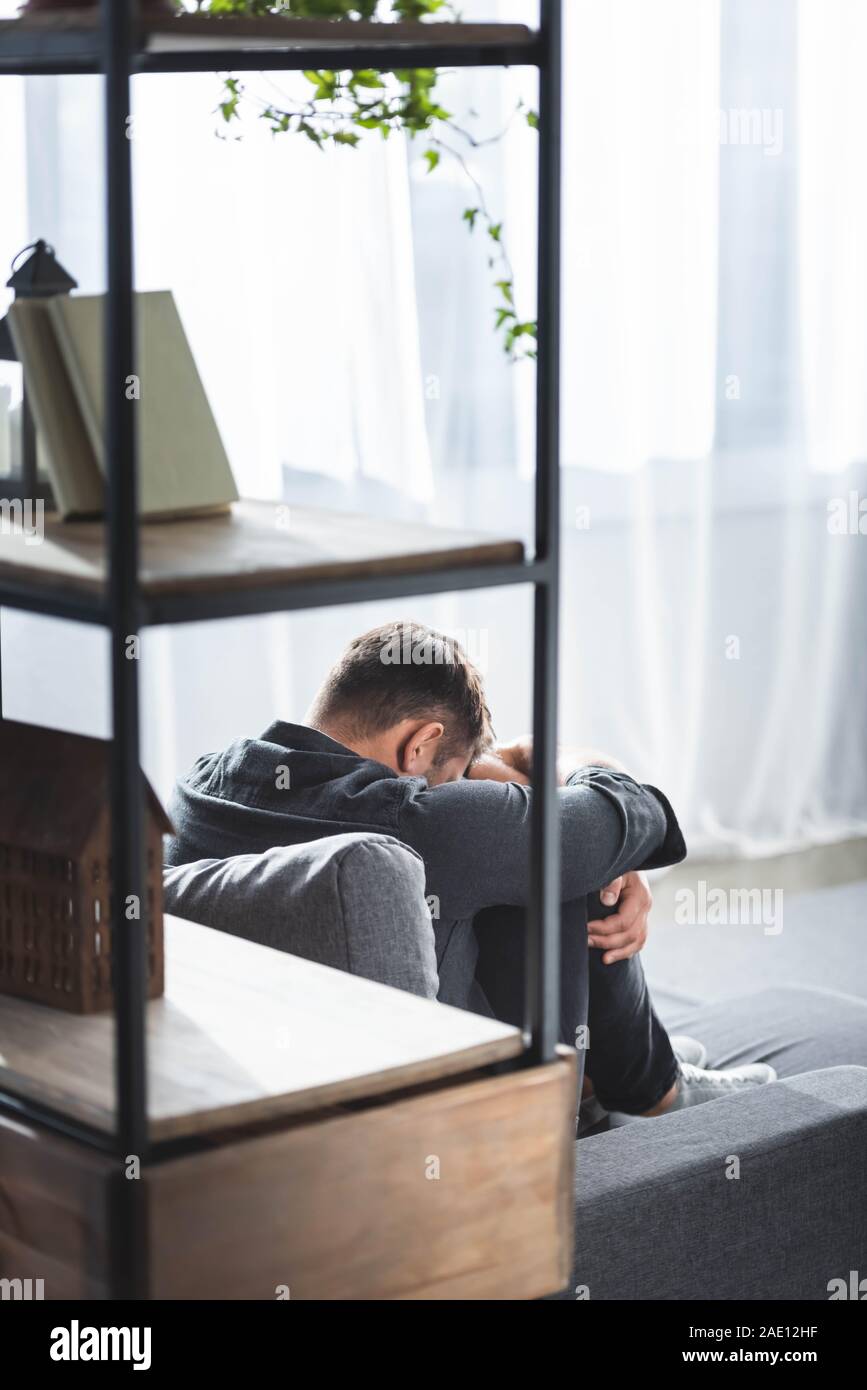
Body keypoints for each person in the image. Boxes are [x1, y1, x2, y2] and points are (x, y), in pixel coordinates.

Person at [165, 621, 775, 1124]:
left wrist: (484, 774)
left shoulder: (201, 786)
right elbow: (634, 811)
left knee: (539, 837)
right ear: (421, 745)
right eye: (452, 774)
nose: (456, 789)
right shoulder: (412, 825)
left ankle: (611, 1060)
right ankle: (653, 1089)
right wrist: (558, 778)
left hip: (254, 1083)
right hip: (488, 1112)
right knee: (562, 856)